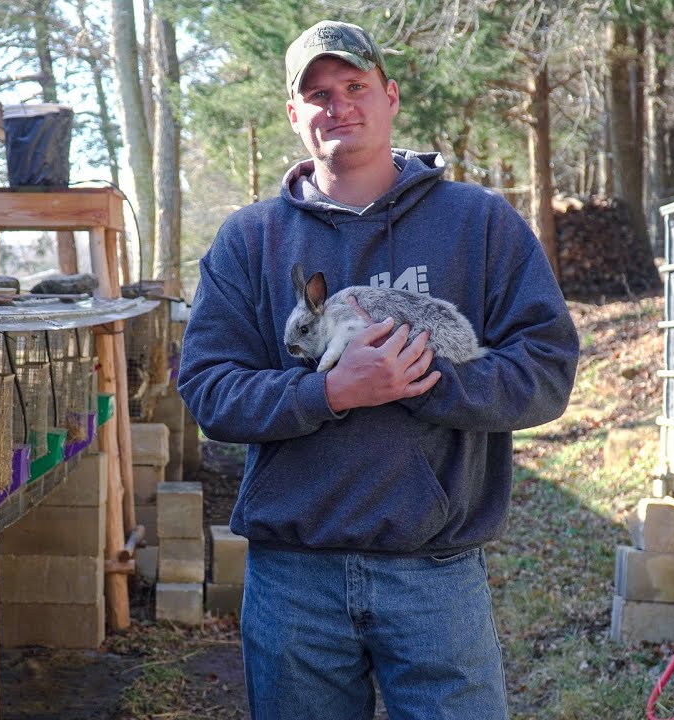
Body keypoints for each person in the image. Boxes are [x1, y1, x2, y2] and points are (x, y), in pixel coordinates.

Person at [177, 19, 580, 720]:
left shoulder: (478, 223)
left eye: (355, 85)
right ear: (293, 115)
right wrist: (329, 391)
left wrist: (421, 382)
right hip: (293, 580)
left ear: (390, 97)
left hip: (436, 574)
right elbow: (211, 392)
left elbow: (545, 369)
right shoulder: (251, 240)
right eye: (318, 93)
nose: (339, 105)